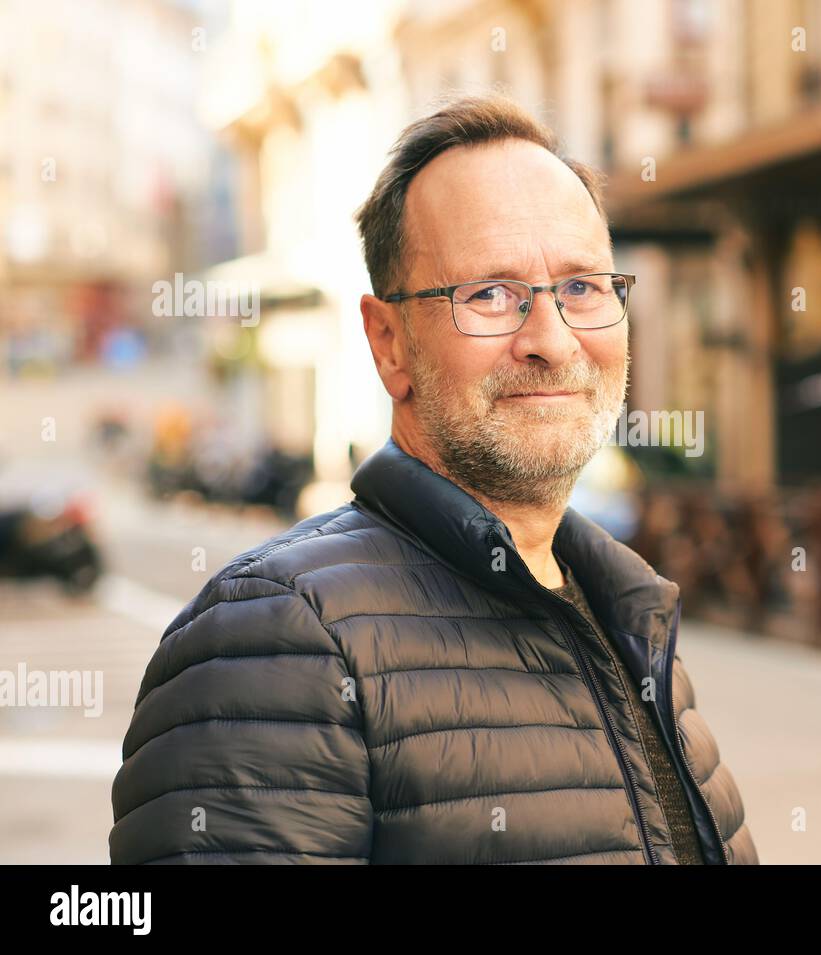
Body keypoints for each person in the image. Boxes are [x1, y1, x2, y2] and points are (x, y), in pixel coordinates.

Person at [108, 91, 758, 865]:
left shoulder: (629, 618)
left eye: (582, 287)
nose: (551, 340)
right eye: (489, 294)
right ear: (389, 343)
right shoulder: (278, 641)